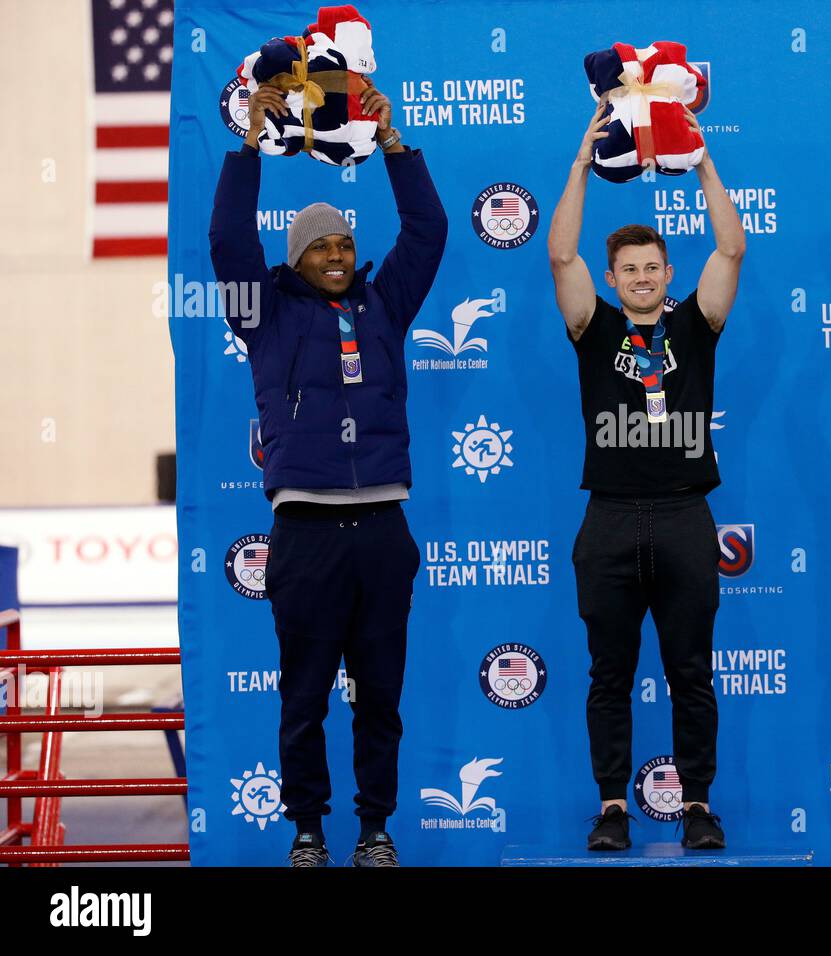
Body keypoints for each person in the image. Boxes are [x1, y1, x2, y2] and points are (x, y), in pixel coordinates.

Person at [209, 81, 448, 867]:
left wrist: (394, 146)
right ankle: (308, 829)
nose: (338, 256)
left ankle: (375, 828)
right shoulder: (264, 316)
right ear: (295, 260)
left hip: (382, 529)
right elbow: (226, 242)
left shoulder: (385, 305)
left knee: (380, 699)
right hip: (305, 532)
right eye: (321, 247)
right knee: (303, 699)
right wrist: (247, 148)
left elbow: (429, 228)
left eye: (344, 244)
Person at [547, 98, 745, 851]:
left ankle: (697, 805)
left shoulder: (697, 325)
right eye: (626, 268)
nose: (639, 277)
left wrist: (700, 160)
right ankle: (611, 807)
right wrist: (579, 166)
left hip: (687, 517)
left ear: (668, 272)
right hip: (611, 518)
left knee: (692, 671)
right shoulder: (592, 327)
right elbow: (560, 256)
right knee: (609, 674)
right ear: (613, 276)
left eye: (651, 267)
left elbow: (730, 250)